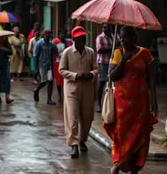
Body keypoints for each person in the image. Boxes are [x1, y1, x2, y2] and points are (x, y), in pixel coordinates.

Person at [105, 26, 158, 174]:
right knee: (122, 134)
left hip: (141, 103)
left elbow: (151, 78)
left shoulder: (145, 53)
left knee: (140, 134)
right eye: (121, 37)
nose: (122, 40)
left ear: (134, 38)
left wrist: (154, 99)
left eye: (126, 37)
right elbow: (112, 76)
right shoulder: (118, 53)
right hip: (122, 103)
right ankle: (118, 163)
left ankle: (135, 168)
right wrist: (123, 60)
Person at [59, 26, 98, 159]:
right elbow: (62, 70)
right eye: (80, 38)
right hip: (71, 88)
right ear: (74, 39)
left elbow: (96, 68)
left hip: (87, 88)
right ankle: (74, 144)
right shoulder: (67, 52)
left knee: (87, 117)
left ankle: (82, 140)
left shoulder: (91, 52)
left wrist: (91, 74)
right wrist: (76, 75)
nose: (82, 40)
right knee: (73, 117)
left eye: (84, 37)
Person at [33, 29, 57, 105]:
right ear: (43, 34)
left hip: (49, 65)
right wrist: (36, 68)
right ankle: (36, 90)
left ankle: (49, 99)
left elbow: (56, 52)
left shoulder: (51, 44)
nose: (48, 35)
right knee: (44, 81)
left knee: (50, 81)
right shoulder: (39, 43)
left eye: (50, 34)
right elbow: (35, 56)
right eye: (47, 34)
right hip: (42, 65)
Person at [95, 23, 114, 112]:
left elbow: (119, 47)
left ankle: (110, 102)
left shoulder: (113, 37)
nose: (105, 29)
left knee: (111, 83)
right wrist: (112, 48)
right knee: (101, 82)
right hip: (102, 62)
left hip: (112, 62)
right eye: (104, 27)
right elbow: (99, 50)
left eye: (107, 27)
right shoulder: (100, 37)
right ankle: (98, 102)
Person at [0, 36, 14, 105]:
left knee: (7, 79)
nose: (1, 39)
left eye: (2, 38)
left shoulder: (7, 44)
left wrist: (5, 50)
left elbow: (11, 52)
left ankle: (7, 96)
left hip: (6, 65)